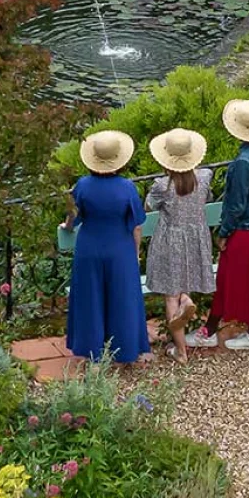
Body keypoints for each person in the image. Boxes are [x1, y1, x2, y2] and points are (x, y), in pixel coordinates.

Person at [186, 99, 249, 352]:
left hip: (244, 231)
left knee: (227, 280)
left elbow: (235, 204)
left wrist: (224, 232)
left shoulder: (243, 162)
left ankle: (211, 331)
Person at [65, 130, 150, 365]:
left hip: (89, 247)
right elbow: (136, 226)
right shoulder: (127, 188)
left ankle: (90, 350)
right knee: (122, 298)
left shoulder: (82, 185)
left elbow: (72, 215)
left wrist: (68, 226)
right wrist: (135, 253)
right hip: (119, 248)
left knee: (89, 298)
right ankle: (124, 352)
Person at [145, 128, 215, 363]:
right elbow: (208, 198)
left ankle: (181, 351)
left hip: (170, 241)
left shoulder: (162, 185)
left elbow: (149, 207)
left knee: (169, 297)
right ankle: (186, 298)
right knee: (183, 281)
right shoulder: (204, 177)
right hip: (196, 240)